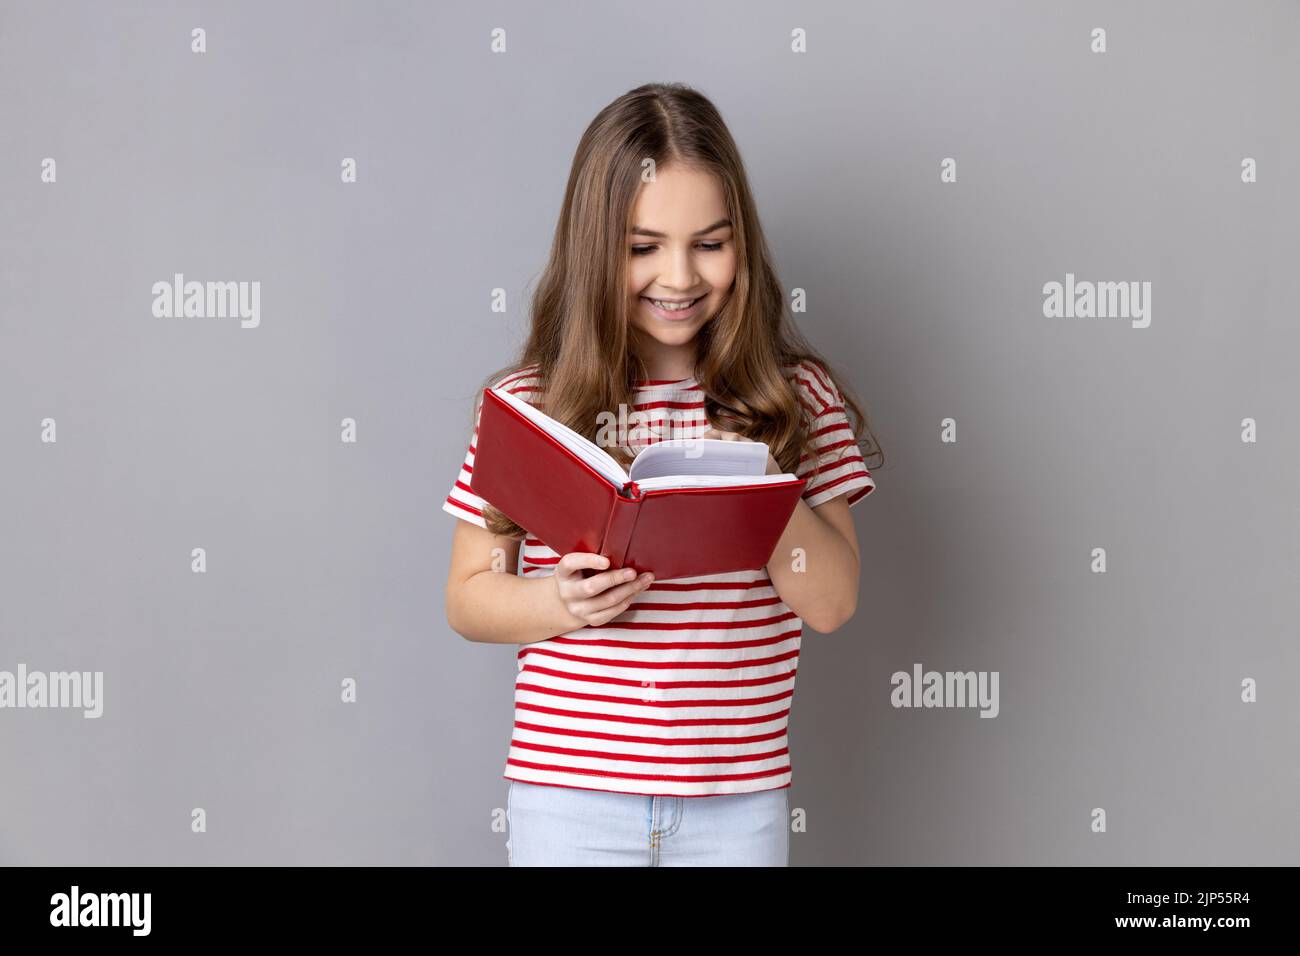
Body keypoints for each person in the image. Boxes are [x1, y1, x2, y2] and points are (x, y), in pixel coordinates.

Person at [442, 82, 883, 866]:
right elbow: (469, 598)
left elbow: (834, 602)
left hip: (736, 801)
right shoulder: (528, 405)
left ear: (741, 243)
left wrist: (758, 483)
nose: (678, 277)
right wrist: (560, 600)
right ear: (594, 247)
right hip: (567, 798)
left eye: (709, 244)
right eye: (643, 247)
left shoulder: (796, 398)